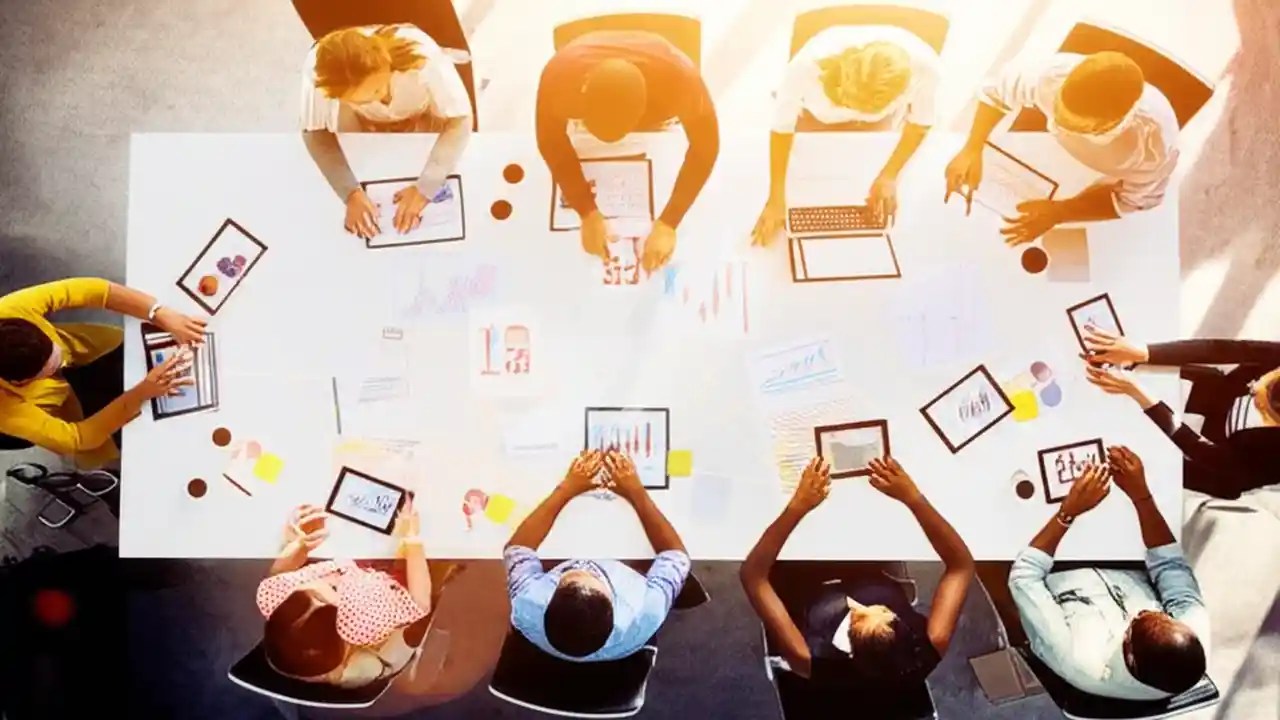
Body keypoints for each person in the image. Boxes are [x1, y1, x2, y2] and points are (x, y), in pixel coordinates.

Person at [739, 457, 974, 702]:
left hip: (801, 573)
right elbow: (961, 566)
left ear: (851, 646)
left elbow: (753, 576)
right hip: (862, 556)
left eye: (857, 614)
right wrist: (913, 498)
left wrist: (798, 506)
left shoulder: (808, 658)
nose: (855, 603)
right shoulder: (930, 645)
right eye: (885, 612)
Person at [1007, 450, 1209, 700]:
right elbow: (1170, 565)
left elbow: (1024, 575)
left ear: (1129, 654)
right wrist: (1141, 496)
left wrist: (1067, 514)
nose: (1141, 611)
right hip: (1122, 557)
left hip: (1053, 567)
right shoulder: (1190, 639)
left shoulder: (1076, 657)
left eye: (1136, 620)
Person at [945, 51, 1179, 245]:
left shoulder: (1153, 149)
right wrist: (971, 148)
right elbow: (996, 93)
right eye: (1057, 108)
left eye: (1071, 124)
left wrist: (1060, 213)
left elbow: (1130, 202)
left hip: (1089, 184)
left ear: (1107, 125)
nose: (1055, 123)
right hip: (1037, 154)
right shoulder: (1049, 76)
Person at [536, 30, 720, 272]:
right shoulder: (557, 81)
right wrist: (586, 211)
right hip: (577, 61)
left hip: (660, 86)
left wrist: (669, 222)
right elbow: (549, 140)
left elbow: (707, 146)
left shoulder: (681, 82)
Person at [752, 27, 941, 244]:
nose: (853, 116)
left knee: (859, 197)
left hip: (873, 131)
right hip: (815, 121)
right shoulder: (806, 66)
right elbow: (782, 128)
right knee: (808, 190)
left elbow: (920, 123)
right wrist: (776, 198)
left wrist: (890, 175)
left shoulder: (927, 69)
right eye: (851, 106)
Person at [503, 450, 693, 662]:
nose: (586, 565)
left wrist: (566, 489)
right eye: (596, 577)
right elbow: (677, 557)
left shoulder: (528, 603)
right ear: (615, 606)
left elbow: (517, 548)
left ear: (546, 602)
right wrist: (635, 491)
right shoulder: (645, 610)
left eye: (571, 575)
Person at [0, 278, 205, 469]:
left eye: (56, 350)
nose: (61, 359)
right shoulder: (5, 409)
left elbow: (96, 290)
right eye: (51, 367)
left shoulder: (9, 310)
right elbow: (79, 439)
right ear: (21, 381)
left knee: (139, 358)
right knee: (148, 442)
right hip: (74, 408)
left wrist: (158, 312)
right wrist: (142, 392)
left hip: (92, 350)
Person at [300, 23, 474, 241]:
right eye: (363, 98)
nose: (379, 97)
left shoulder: (422, 54)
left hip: (423, 114)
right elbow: (314, 133)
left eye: (377, 88)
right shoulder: (317, 73)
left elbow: (461, 119)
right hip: (364, 124)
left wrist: (426, 188)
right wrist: (351, 193)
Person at [257, 500, 459, 688]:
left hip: (347, 558)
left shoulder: (272, 596)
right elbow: (419, 604)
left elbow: (279, 573)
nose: (319, 585)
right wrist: (412, 540)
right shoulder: (363, 623)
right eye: (331, 590)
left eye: (306, 588)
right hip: (386, 577)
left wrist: (297, 545)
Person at [1081, 326, 1280, 499]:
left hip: (1208, 461)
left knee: (1114, 448)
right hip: (1211, 393)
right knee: (1105, 392)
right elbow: (1224, 350)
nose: (1252, 388)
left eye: (1259, 400)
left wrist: (1141, 394)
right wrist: (1144, 353)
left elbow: (1203, 452)